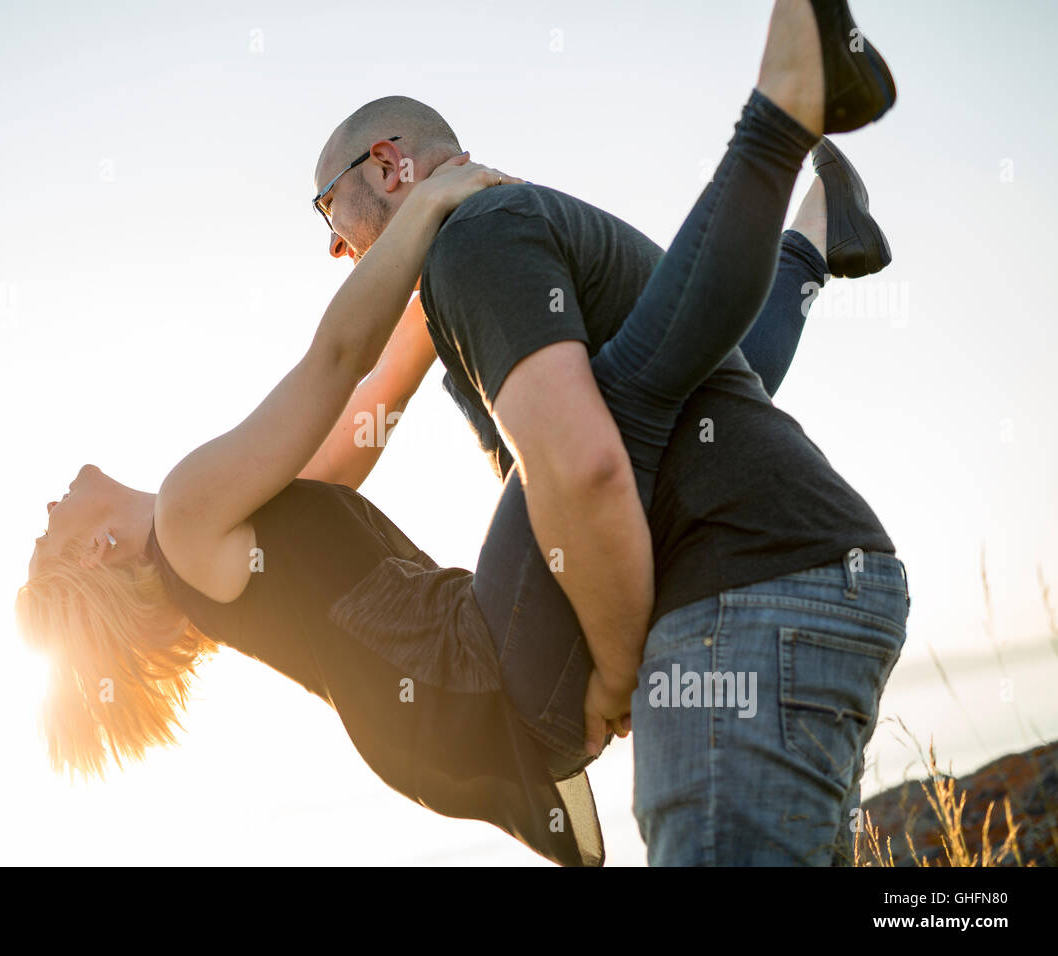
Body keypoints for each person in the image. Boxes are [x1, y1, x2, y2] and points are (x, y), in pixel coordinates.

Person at [18, 0, 905, 866]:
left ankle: (816, 238)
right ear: (97, 550)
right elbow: (334, 360)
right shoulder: (183, 517)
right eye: (44, 538)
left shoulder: (220, 537)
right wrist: (438, 203)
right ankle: (785, 107)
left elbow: (370, 398)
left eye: (332, 217)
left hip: (462, 708)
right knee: (608, 403)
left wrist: (470, 273)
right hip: (471, 675)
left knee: (654, 405)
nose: (46, 511)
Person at [310, 0, 907, 865]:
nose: (335, 250)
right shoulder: (492, 249)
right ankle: (808, 227)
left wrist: (616, 670)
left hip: (747, 598)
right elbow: (556, 472)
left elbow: (582, 476)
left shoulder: (473, 240)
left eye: (329, 214)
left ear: (391, 164)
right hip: (792, 582)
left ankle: (785, 111)